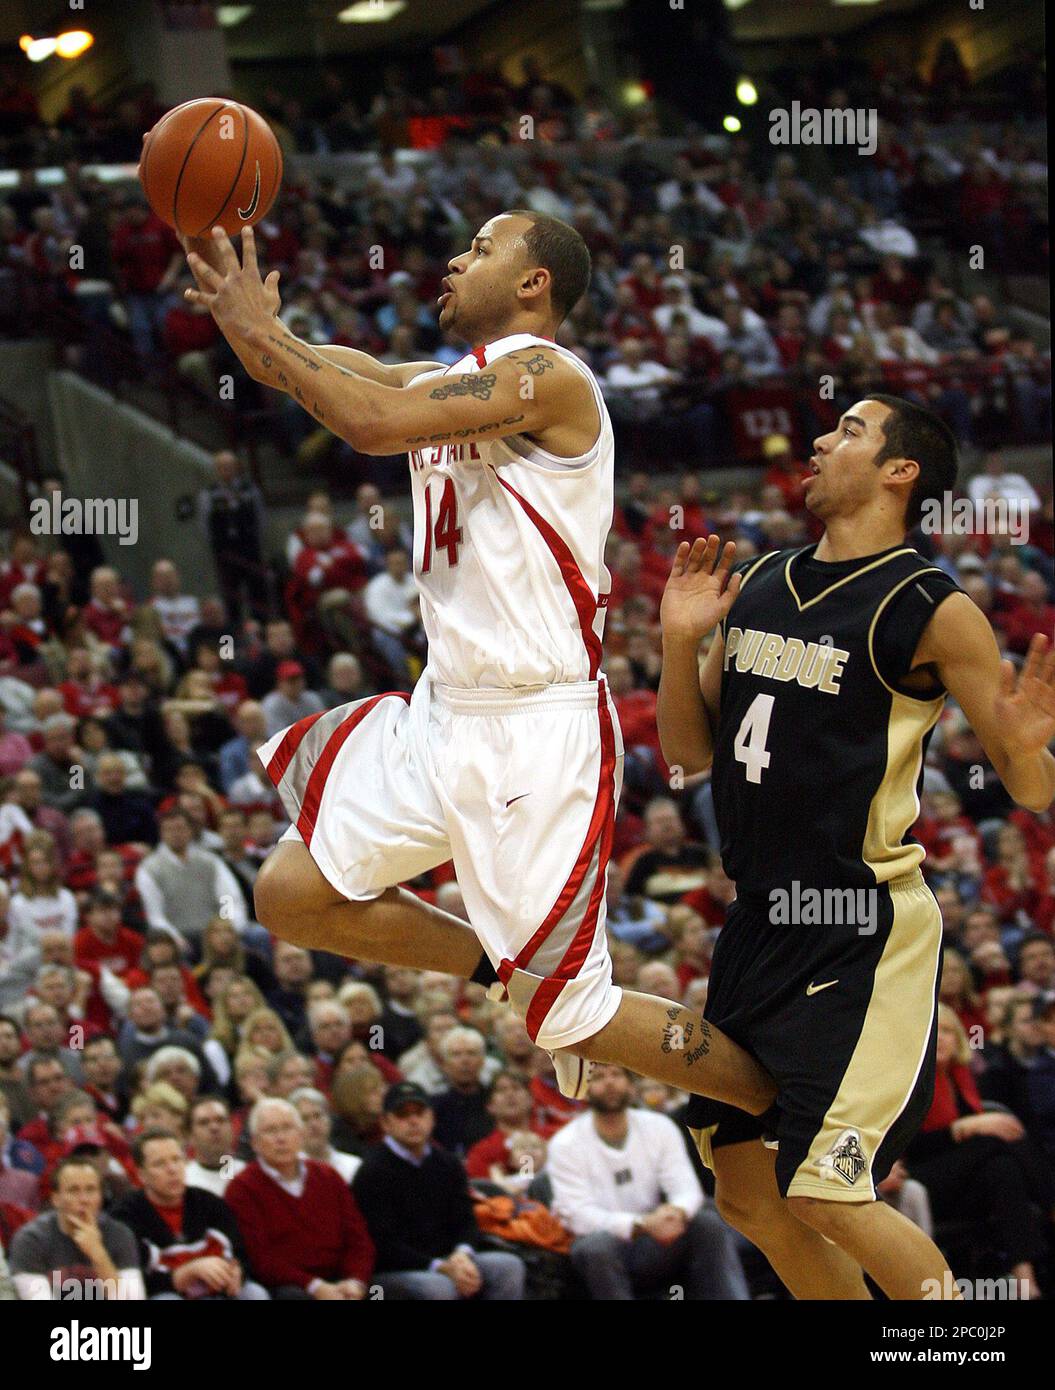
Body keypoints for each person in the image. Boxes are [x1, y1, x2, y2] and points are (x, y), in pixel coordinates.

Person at [185, 210, 774, 1119]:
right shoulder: (447, 379)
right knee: (289, 895)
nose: (455, 260)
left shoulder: (548, 376)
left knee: (577, 1021)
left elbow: (372, 423)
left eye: (482, 249)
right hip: (444, 709)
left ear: (535, 283)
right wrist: (246, 324)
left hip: (534, 730)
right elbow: (320, 376)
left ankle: (784, 1106)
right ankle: (505, 977)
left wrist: (266, 336)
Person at [656, 393, 1055, 1300]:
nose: (819, 441)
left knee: (828, 1192)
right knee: (749, 1199)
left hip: (860, 927)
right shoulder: (760, 578)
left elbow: (1029, 791)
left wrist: (1028, 753)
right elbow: (687, 751)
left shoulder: (930, 606)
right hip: (758, 921)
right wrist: (681, 646)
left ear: (898, 471)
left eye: (849, 432)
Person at [547, 1064, 748, 1300]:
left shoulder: (659, 1126)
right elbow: (577, 1215)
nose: (609, 1082)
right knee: (596, 1247)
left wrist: (676, 1212)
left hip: (657, 1239)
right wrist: (640, 1223)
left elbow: (685, 1188)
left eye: (616, 1074)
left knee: (706, 1222)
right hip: (610, 1244)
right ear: (583, 1090)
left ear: (632, 1085)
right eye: (599, 1077)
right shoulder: (564, 1144)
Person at [352, 1081, 526, 1300]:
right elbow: (382, 1244)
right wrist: (440, 1266)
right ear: (385, 1123)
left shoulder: (447, 1162)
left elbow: (466, 1219)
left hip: (449, 1259)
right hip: (395, 1270)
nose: (413, 1121)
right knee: (439, 1288)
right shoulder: (372, 1171)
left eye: (420, 1113)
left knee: (508, 1267)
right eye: (403, 1115)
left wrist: (462, 1254)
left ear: (432, 1118)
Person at [225, 1097, 375, 1299]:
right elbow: (260, 1259)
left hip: (343, 1280)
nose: (281, 1138)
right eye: (271, 1131)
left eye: (287, 1128)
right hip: (290, 1286)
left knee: (381, 1291)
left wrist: (355, 1280)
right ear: (254, 1143)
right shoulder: (242, 1188)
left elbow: (358, 1239)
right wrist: (315, 1287)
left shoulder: (328, 1176)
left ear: (301, 1134)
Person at [113, 1129, 268, 1300]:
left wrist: (238, 1272)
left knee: (255, 1293)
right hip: (168, 1293)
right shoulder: (126, 1215)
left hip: (219, 1290)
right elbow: (132, 1281)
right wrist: (183, 1275)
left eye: (177, 1160)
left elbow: (240, 1253)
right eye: (159, 1164)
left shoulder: (210, 1202)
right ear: (141, 1175)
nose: (172, 1169)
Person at [7, 1153, 145, 1300]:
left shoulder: (120, 1235)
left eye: (91, 1190)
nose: (84, 1199)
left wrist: (98, 1254)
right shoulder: (31, 1239)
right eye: (73, 1190)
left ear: (101, 1196)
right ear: (56, 1199)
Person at [184, 1096, 245, 1196]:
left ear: (232, 1128)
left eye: (220, 1120)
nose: (214, 1127)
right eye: (204, 1122)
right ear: (190, 1136)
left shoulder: (246, 1175)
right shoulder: (185, 1181)